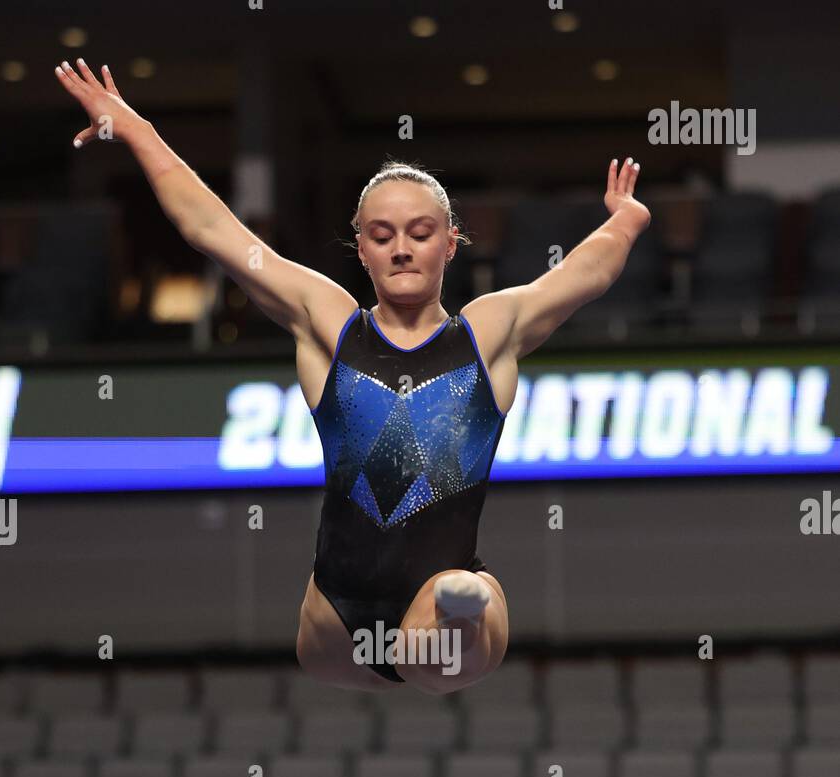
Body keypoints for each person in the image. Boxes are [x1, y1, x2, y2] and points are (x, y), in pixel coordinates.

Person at [55, 57, 651, 694]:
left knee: (459, 608)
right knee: (365, 645)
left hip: (442, 604)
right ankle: (447, 620)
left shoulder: (488, 334)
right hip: (336, 614)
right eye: (382, 234)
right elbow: (211, 229)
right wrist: (136, 128)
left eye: (421, 234)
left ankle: (454, 615)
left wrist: (627, 219)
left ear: (451, 244)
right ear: (360, 247)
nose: (401, 248)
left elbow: (583, 274)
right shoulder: (327, 322)